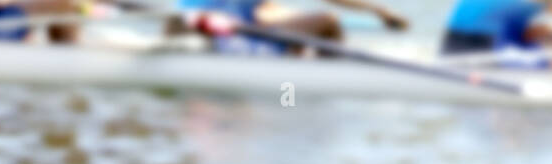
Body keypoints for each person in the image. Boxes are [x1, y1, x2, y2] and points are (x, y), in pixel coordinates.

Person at [172, 0, 409, 56]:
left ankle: (293, 87)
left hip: (244, 36)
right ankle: (298, 89)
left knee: (326, 23)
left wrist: (378, 11)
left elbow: (266, 10)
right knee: (328, 23)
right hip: (217, 39)